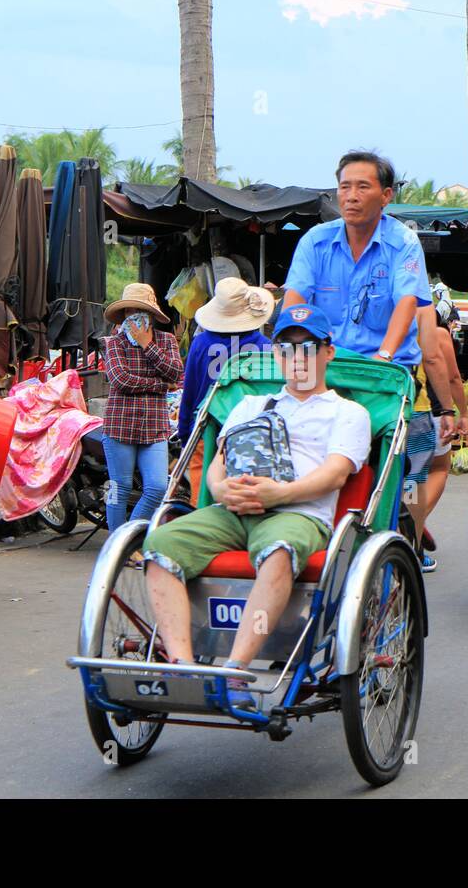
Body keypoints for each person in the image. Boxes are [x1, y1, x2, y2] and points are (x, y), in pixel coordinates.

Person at [141, 304, 371, 710]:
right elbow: (218, 463)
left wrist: (278, 495)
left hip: (298, 514)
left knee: (279, 550)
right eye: (286, 347)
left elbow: (336, 475)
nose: (297, 357)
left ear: (327, 353)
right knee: (159, 544)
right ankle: (182, 667)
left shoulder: (348, 412)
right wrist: (221, 490)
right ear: (276, 354)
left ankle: (235, 672)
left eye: (308, 347)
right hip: (233, 511)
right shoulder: (250, 405)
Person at [282, 150, 431, 366]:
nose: (352, 196)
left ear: (386, 196)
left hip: (384, 367)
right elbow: (295, 300)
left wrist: (384, 356)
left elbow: (406, 302)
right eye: (345, 187)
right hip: (326, 365)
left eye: (363, 187)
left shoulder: (403, 243)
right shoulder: (314, 241)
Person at [178, 277, 273, 502]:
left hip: (205, 430)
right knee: (243, 498)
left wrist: (185, 435)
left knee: (201, 501)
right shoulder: (265, 347)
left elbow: (189, 393)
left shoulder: (200, 344)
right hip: (248, 434)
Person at [101, 283, 184, 531]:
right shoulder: (113, 343)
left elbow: (176, 372)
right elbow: (120, 380)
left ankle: (129, 537)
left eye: (141, 312)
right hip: (120, 426)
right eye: (129, 312)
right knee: (119, 487)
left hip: (155, 427)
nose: (135, 317)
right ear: (124, 315)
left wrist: (147, 345)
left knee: (157, 487)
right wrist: (161, 385)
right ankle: (116, 543)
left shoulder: (166, 341)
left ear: (151, 316)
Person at [417, 300, 468, 571]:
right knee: (438, 468)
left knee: (402, 477)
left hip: (388, 410)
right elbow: (453, 377)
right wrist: (462, 412)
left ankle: (407, 519)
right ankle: (414, 523)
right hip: (430, 412)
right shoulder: (437, 334)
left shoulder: (388, 328)